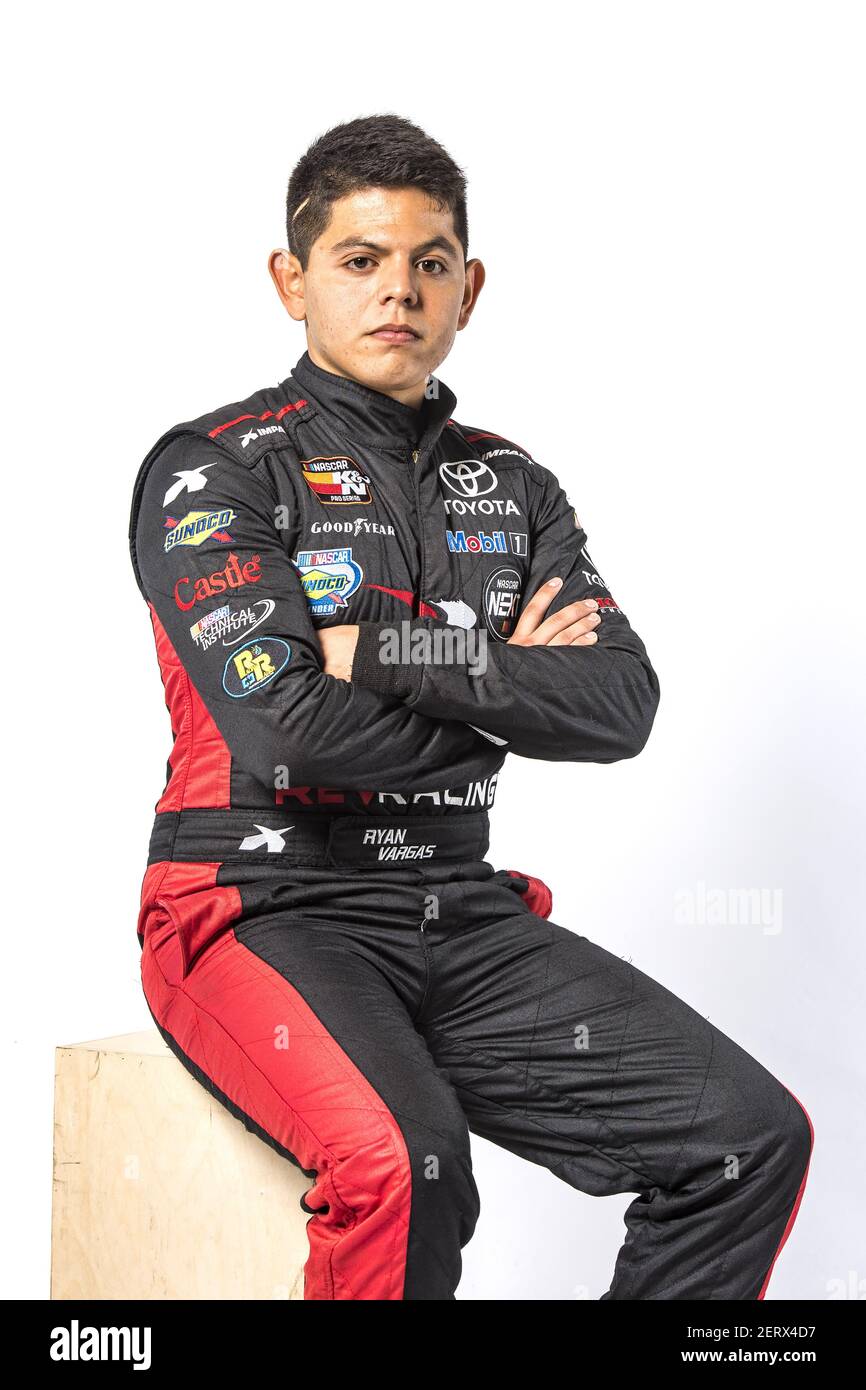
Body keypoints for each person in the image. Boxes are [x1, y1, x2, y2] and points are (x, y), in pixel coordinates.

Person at [128, 113, 812, 1300]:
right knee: (410, 1162)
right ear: (291, 281)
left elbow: (617, 703)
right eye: (359, 260)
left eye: (429, 262)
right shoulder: (215, 468)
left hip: (460, 914)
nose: (399, 290)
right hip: (260, 909)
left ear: (468, 287)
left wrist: (381, 646)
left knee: (748, 1136)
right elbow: (284, 729)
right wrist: (504, 682)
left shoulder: (512, 482)